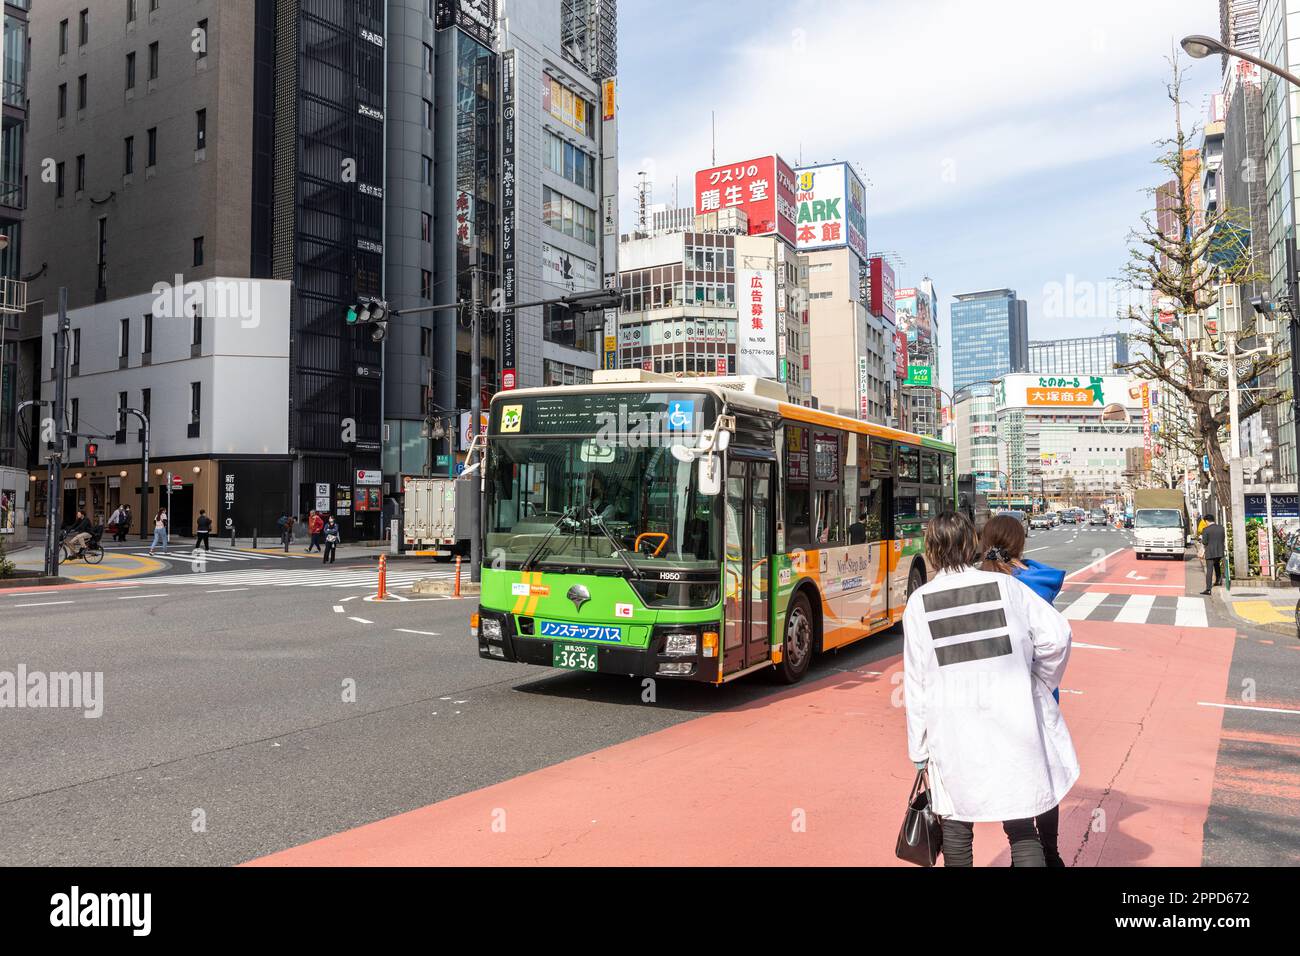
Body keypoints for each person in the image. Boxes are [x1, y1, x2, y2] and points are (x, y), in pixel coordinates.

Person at [903, 510, 1079, 868]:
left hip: (953, 730)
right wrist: (1039, 684)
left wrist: (918, 749)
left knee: (956, 829)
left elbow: (917, 682)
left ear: (932, 550)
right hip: (1014, 724)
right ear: (972, 544)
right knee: (1021, 823)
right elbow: (1057, 637)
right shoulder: (1008, 587)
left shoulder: (920, 603)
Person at [979, 513, 1069, 867]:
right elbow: (1055, 642)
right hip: (1040, 692)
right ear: (1021, 543)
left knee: (1012, 774)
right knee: (1045, 774)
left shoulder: (985, 582)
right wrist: (1043, 682)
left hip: (997, 695)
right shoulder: (1038, 582)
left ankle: (1025, 850)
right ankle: (1050, 852)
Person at [1200, 515, 1226, 594]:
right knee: (1217, 565)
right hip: (1219, 551)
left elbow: (1205, 542)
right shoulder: (1221, 528)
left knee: (1210, 569)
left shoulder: (1206, 529)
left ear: (1207, 521)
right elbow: (1223, 538)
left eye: (1205, 522)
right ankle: (1218, 581)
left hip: (1210, 552)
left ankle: (1208, 589)